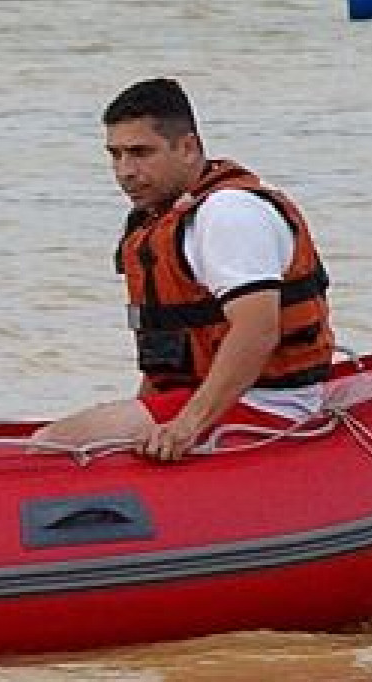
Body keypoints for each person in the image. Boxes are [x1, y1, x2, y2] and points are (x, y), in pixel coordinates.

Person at [32, 77, 335, 462]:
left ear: (188, 147)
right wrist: (143, 413)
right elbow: (173, 349)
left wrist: (186, 425)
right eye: (115, 154)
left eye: (141, 153)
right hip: (211, 395)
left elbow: (257, 330)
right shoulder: (163, 219)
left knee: (49, 445)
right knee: (88, 432)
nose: (124, 171)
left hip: (268, 405)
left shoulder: (229, 214)